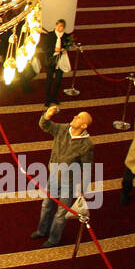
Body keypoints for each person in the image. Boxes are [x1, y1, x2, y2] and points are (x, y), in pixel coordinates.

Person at [32, 106, 95, 248]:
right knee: (46, 205)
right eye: (76, 115)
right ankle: (42, 231)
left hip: (69, 183)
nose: (75, 117)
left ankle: (53, 239)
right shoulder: (63, 129)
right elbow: (44, 125)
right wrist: (47, 115)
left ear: (84, 126)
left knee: (61, 214)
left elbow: (87, 167)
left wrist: (83, 190)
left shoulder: (87, 144)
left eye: (79, 117)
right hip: (53, 177)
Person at [38, 19, 74, 106]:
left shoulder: (66, 36)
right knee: (49, 80)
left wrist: (65, 49)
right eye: (58, 26)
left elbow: (67, 45)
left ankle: (54, 98)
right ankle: (47, 99)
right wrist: (55, 49)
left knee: (58, 81)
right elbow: (45, 48)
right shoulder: (50, 35)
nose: (59, 28)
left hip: (60, 61)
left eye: (61, 26)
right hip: (51, 60)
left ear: (64, 28)